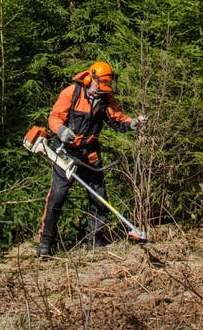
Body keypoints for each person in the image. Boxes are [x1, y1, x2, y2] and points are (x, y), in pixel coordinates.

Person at [37, 61, 145, 257]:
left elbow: (118, 119)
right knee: (57, 196)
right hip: (66, 152)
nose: (100, 91)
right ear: (90, 79)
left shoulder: (105, 98)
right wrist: (61, 131)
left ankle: (94, 238)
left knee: (98, 195)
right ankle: (46, 242)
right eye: (98, 87)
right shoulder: (72, 93)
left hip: (90, 152)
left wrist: (133, 123)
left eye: (104, 87)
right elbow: (54, 117)